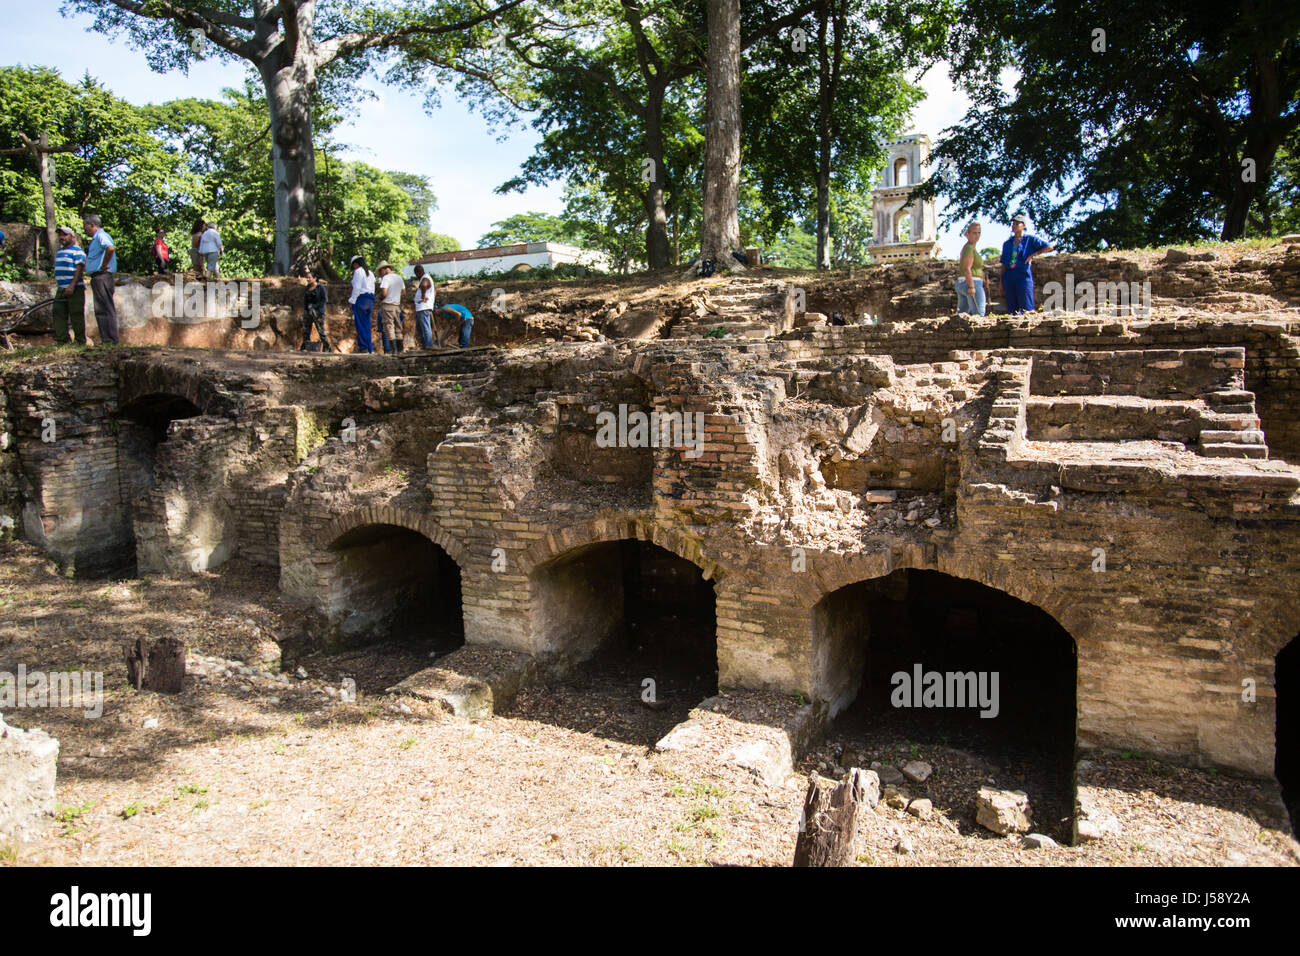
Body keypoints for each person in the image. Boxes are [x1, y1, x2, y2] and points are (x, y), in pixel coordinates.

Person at [1000, 214, 1054, 315]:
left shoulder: (1030, 239)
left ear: (1023, 226)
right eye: (1013, 224)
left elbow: (1049, 247)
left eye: (1017, 224)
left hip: (1022, 274)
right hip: (1009, 275)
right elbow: (1003, 263)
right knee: (1012, 308)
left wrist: (1033, 254)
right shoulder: (1007, 243)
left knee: (1026, 306)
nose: (1014, 226)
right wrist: (1001, 281)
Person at [82, 214, 118, 345]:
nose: (84, 228)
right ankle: (107, 339)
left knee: (105, 308)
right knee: (101, 309)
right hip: (98, 277)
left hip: (102, 276)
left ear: (92, 225)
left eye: (85, 225)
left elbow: (110, 248)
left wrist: (104, 264)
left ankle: (110, 340)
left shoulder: (101, 236)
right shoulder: (96, 238)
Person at [51, 226, 87, 346]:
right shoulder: (60, 252)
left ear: (72, 236)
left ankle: (80, 341)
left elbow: (79, 269)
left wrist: (72, 286)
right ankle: (63, 341)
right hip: (61, 288)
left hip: (75, 288)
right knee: (58, 312)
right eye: (60, 235)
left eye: (65, 235)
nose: (62, 237)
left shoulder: (77, 251)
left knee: (76, 314)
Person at [955, 221, 987, 316]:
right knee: (979, 313)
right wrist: (972, 286)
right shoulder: (969, 248)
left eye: (979, 233)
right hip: (972, 282)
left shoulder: (968, 247)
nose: (977, 235)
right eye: (974, 233)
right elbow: (966, 268)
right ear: (968, 234)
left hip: (962, 282)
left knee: (961, 314)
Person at [375, 261, 405, 353]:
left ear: (384, 269)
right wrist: (395, 295)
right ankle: (400, 349)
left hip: (388, 305)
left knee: (389, 327)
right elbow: (404, 293)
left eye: (380, 272)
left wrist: (378, 297)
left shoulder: (386, 279)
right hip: (397, 305)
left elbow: (384, 293)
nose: (381, 274)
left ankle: (394, 350)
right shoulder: (399, 278)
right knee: (398, 327)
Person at [348, 255, 376, 353]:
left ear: (356, 263)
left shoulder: (358, 271)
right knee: (366, 324)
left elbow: (357, 288)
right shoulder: (370, 273)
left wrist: (352, 300)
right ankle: (370, 348)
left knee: (360, 324)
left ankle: (363, 347)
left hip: (361, 299)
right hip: (370, 299)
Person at [301, 272, 331, 351]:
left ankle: (326, 346)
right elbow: (305, 300)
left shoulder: (320, 288)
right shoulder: (307, 288)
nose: (308, 279)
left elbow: (324, 300)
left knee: (321, 330)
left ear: (314, 278)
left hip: (318, 312)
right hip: (308, 311)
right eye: (307, 278)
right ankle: (305, 345)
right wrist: (306, 309)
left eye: (309, 278)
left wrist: (315, 307)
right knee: (306, 329)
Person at [412, 265, 435, 348]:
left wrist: (423, 295)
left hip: (423, 307)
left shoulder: (425, 278)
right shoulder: (426, 278)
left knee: (425, 327)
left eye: (416, 274)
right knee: (420, 327)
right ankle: (425, 345)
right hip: (421, 308)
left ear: (418, 272)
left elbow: (424, 285)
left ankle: (428, 346)